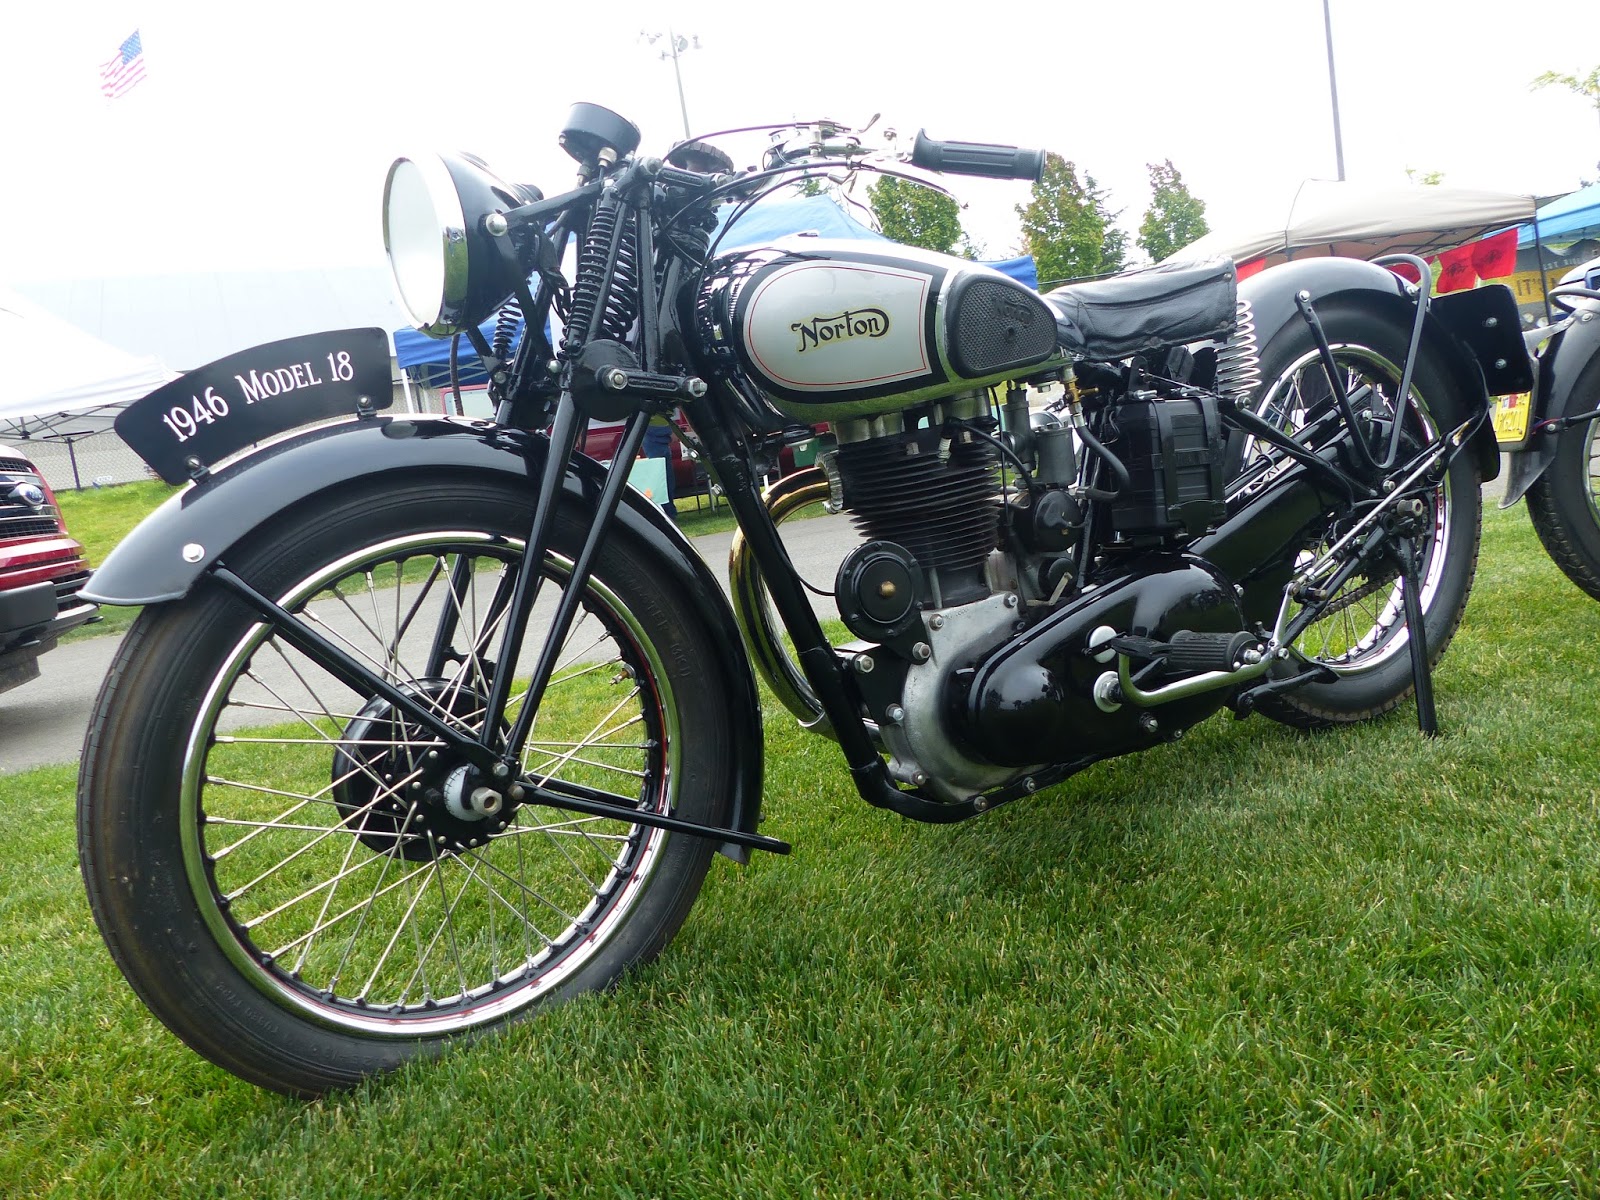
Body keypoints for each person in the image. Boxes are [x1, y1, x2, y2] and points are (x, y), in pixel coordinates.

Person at [642, 413, 678, 521]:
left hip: (657, 431)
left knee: (666, 479)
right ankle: (667, 514)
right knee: (663, 480)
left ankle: (669, 513)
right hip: (654, 430)